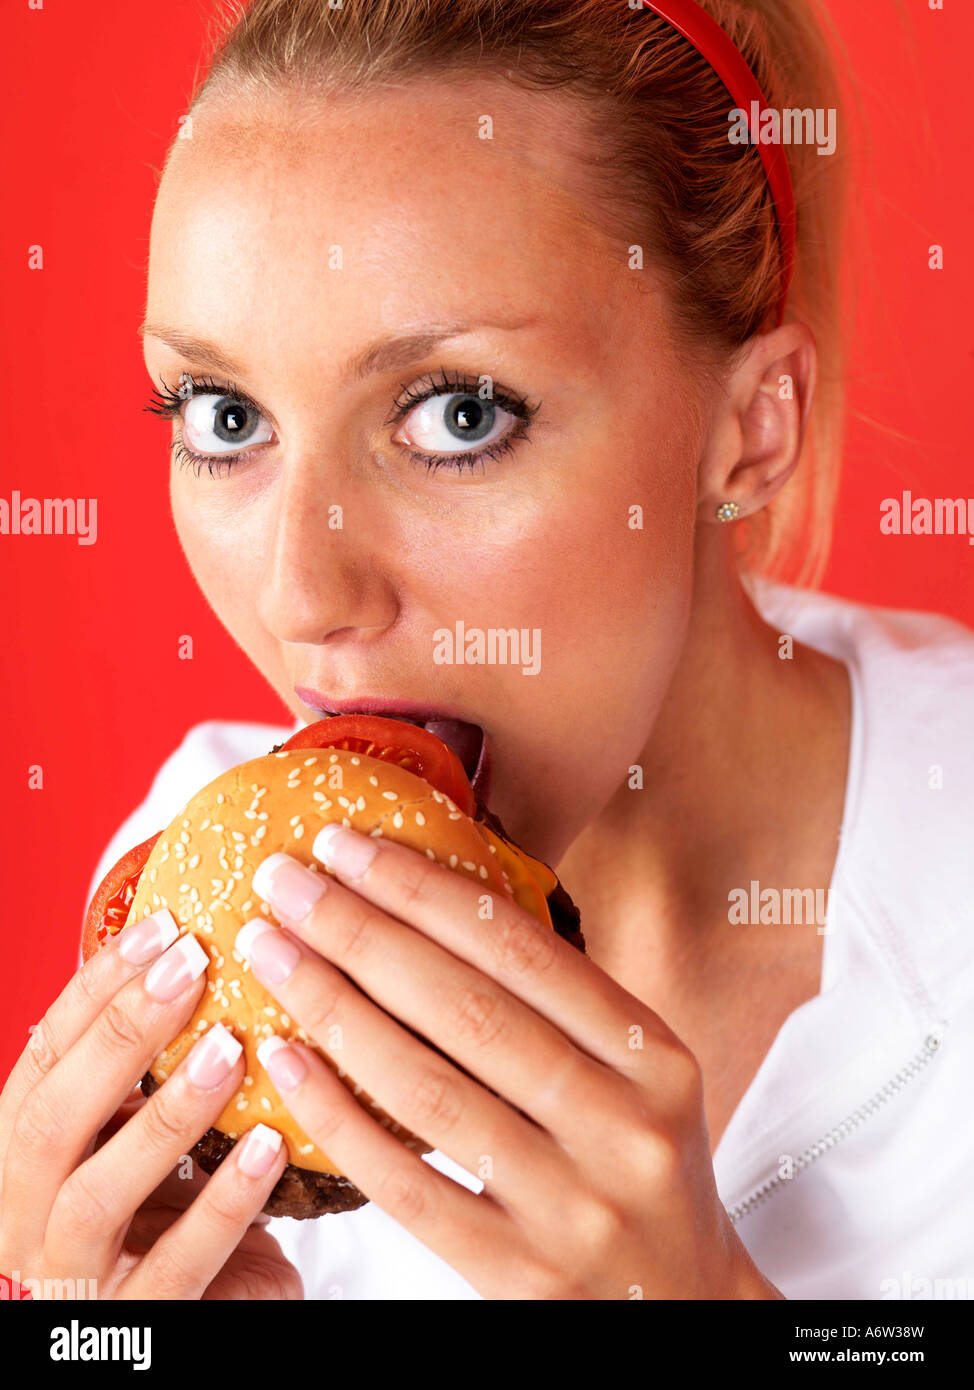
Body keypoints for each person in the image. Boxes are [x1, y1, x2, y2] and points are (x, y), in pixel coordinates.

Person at [3, 0, 973, 1301]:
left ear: (749, 428)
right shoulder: (186, 903)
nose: (303, 594)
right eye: (224, 415)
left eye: (458, 414)